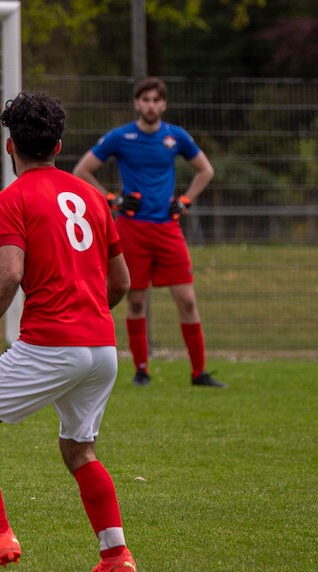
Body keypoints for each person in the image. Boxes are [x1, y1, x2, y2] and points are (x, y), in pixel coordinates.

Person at [0, 92, 138, 572]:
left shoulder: (13, 198)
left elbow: (9, 275)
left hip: (52, 344)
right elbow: (122, 283)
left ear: (11, 148)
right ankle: (115, 557)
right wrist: (88, 318)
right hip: (102, 351)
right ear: (60, 145)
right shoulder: (91, 196)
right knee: (78, 450)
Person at [72, 76, 224, 388]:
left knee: (187, 301)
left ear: (164, 104)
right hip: (131, 230)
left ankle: (199, 373)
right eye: (146, 100)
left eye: (156, 100)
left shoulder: (175, 137)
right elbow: (82, 171)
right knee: (136, 300)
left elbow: (205, 170)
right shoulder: (120, 137)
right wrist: (112, 200)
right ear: (137, 104)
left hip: (168, 230)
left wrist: (185, 201)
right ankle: (141, 371)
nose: (151, 105)